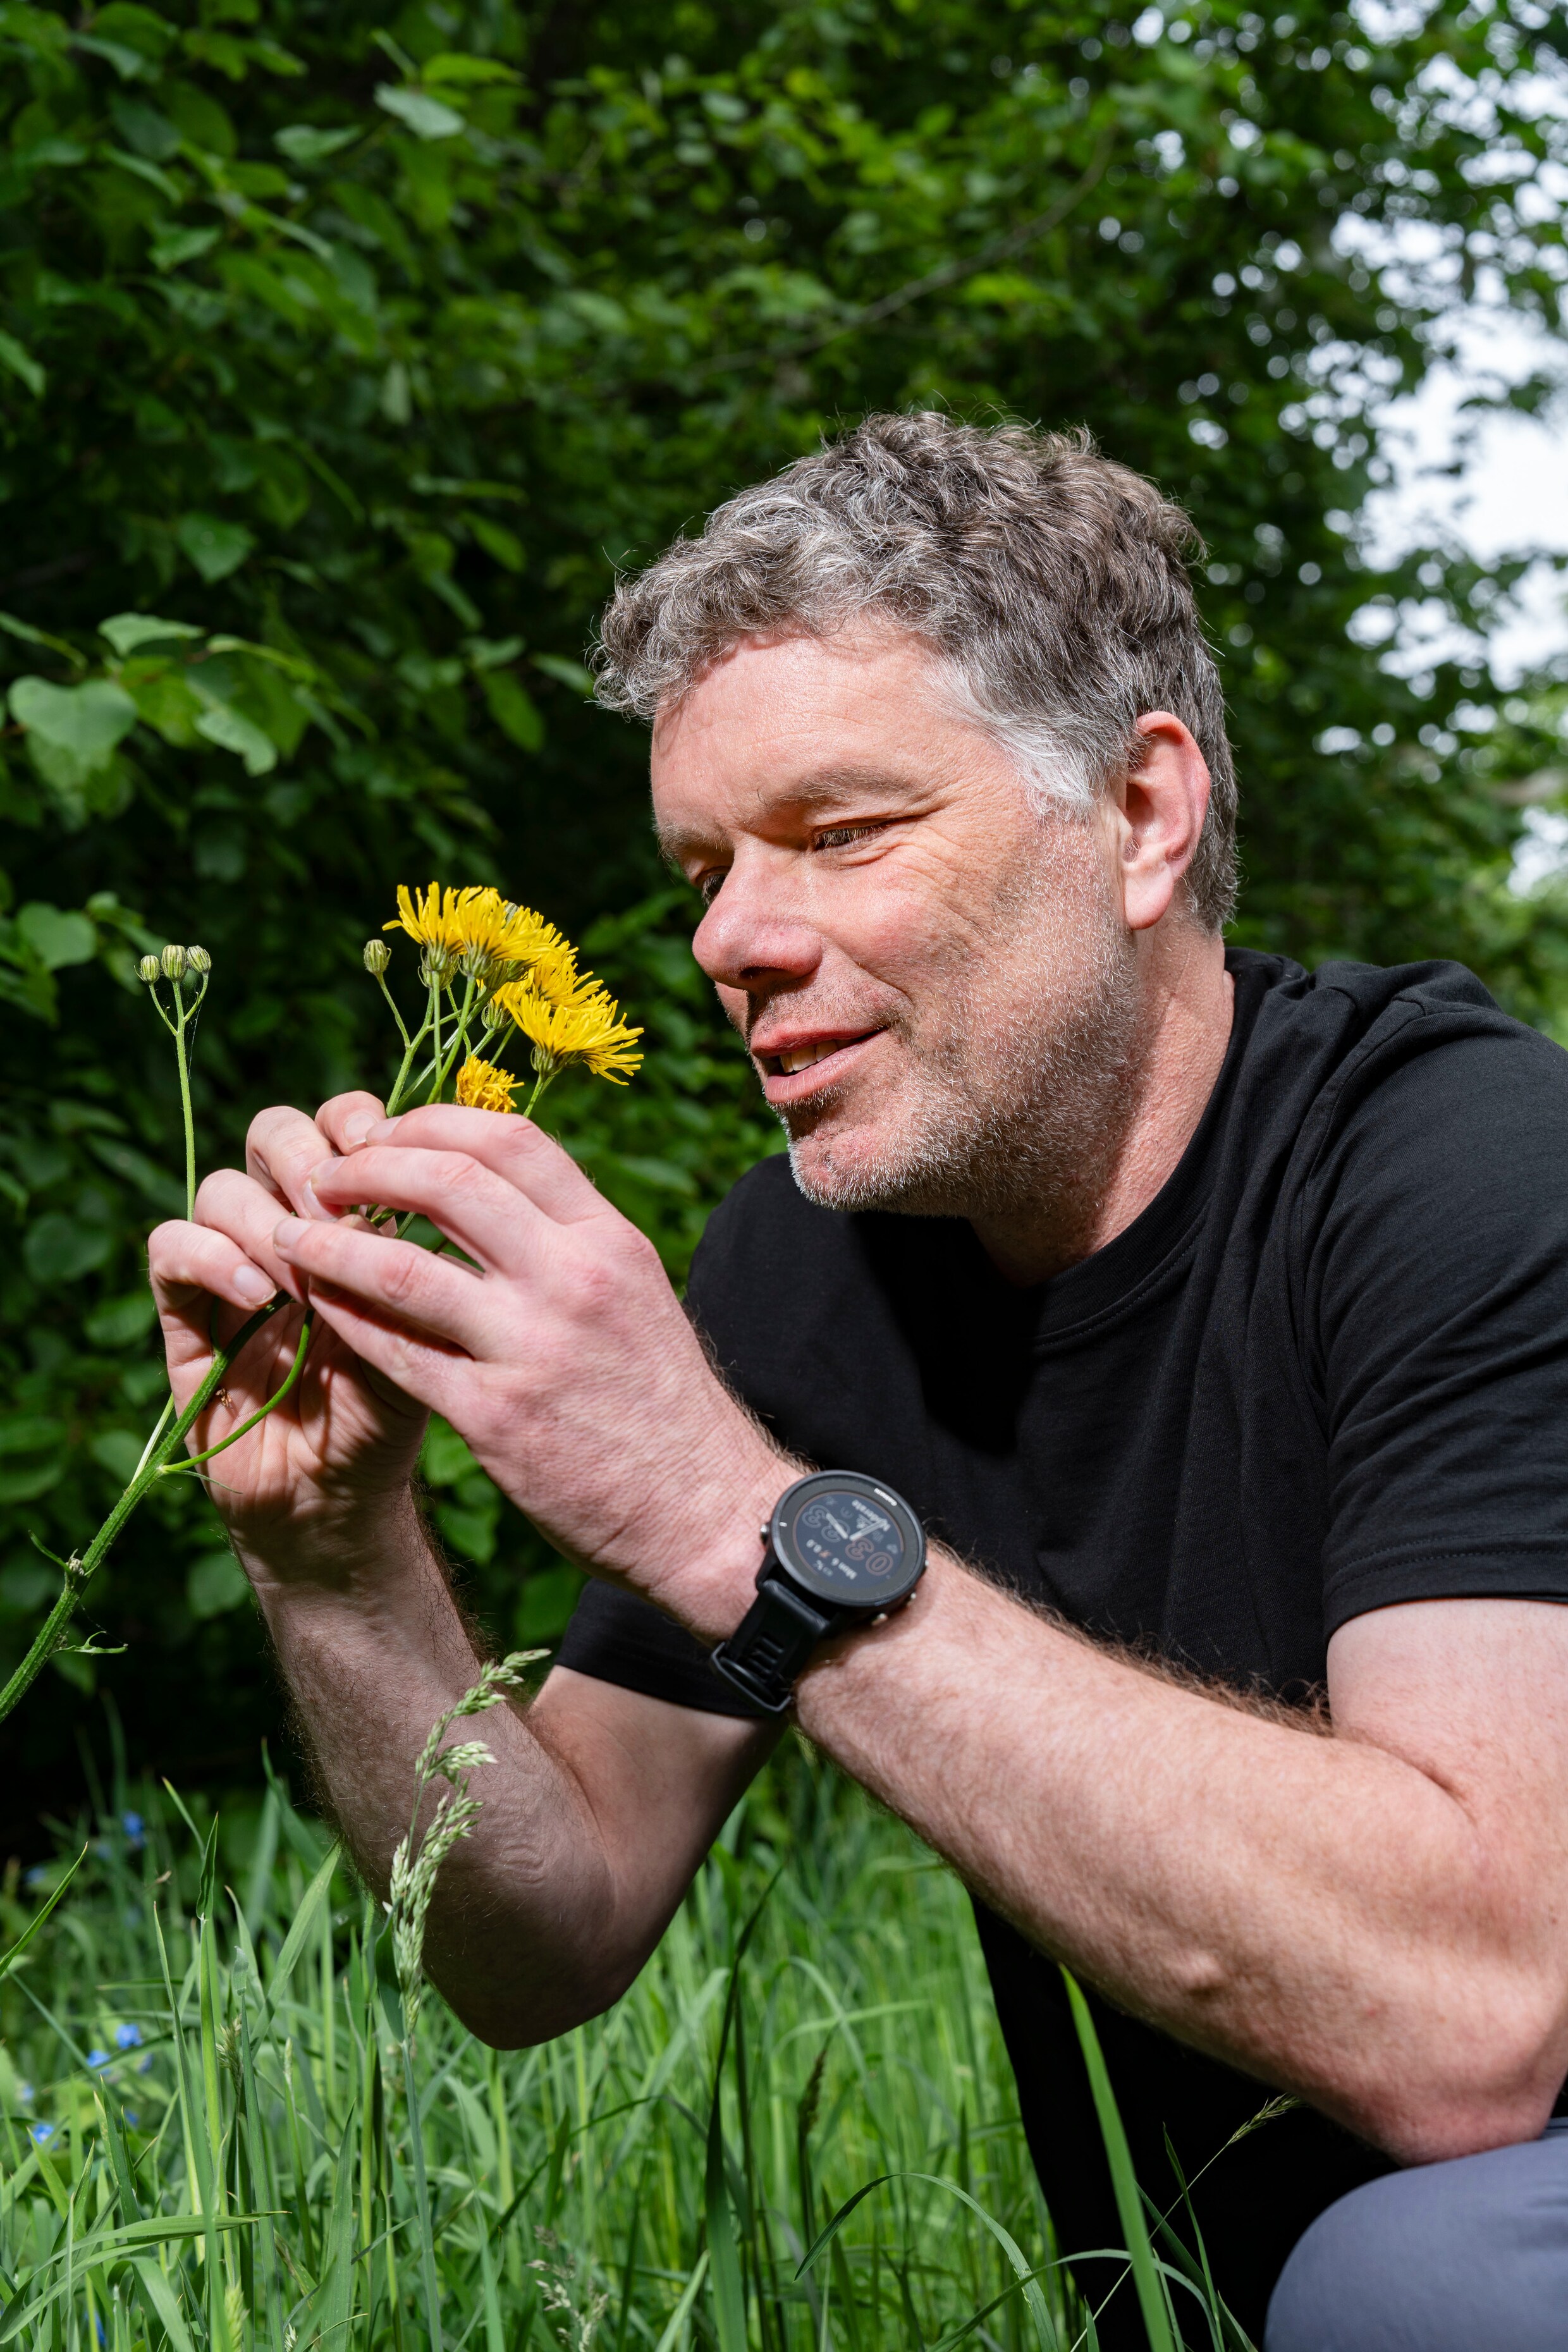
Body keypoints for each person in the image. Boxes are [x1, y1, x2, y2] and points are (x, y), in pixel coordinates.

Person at [147, 414, 1568, 2350]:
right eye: (705, 867)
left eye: (841, 831)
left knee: (1409, 2285)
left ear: (1142, 818)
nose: (731, 938)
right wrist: (337, 1562)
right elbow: (543, 1937)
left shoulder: (1467, 1175)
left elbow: (1474, 2026)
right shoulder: (811, 1267)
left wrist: (720, 1513)